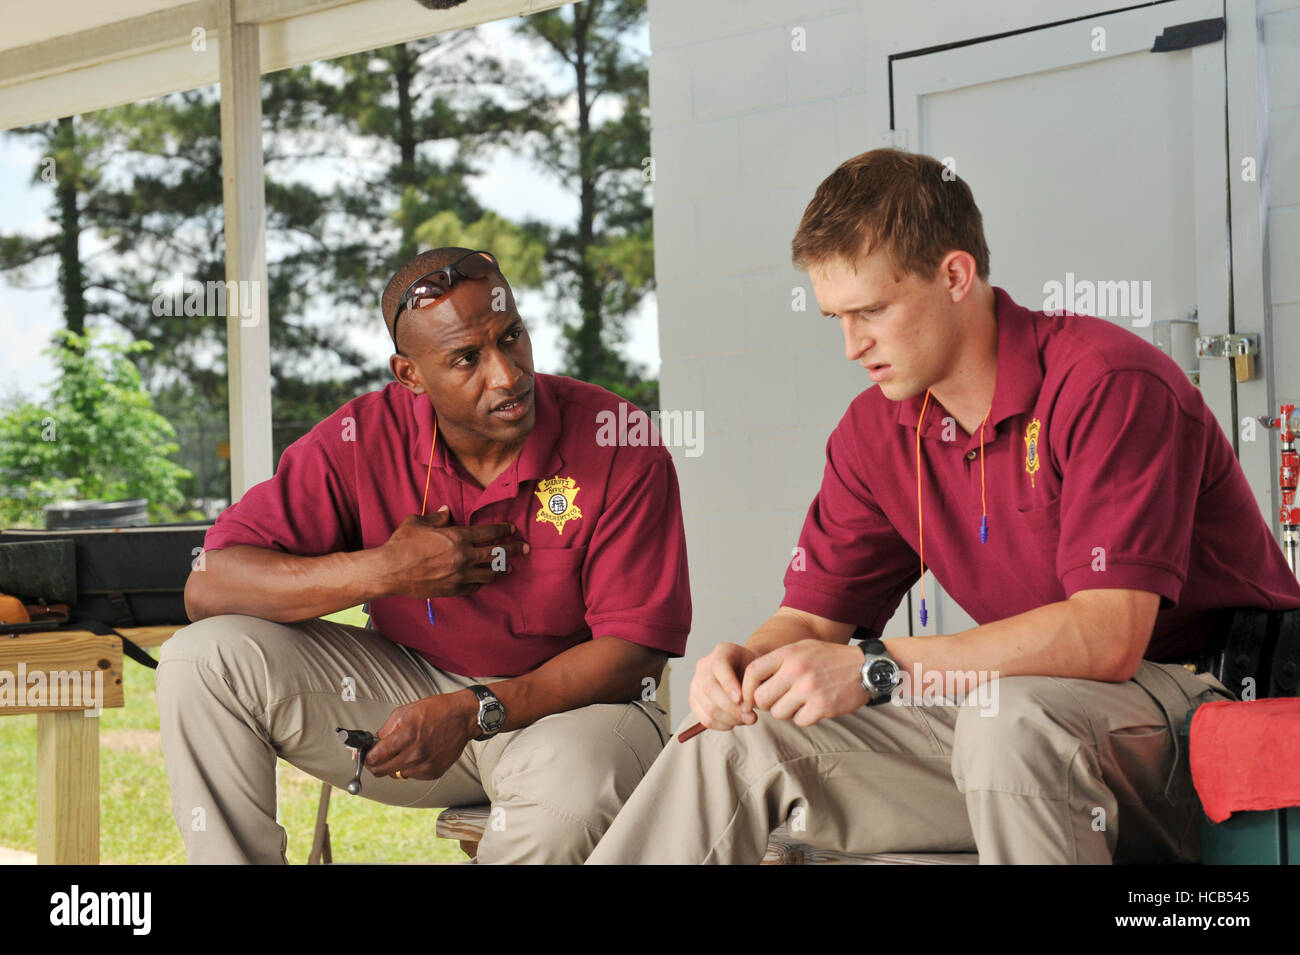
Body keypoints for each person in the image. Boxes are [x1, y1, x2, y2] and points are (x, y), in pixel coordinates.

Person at [586, 148, 1300, 865]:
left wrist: (874, 666)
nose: (851, 345)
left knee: (1010, 722)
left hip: (1202, 706)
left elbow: (1108, 636)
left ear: (955, 275)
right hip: (1030, 722)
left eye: (871, 311)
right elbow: (811, 619)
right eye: (837, 316)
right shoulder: (876, 431)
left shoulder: (1107, 382)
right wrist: (746, 665)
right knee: (735, 743)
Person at [158, 247, 690, 864]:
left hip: (571, 715)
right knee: (201, 660)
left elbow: (633, 658)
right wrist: (387, 570)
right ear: (410, 375)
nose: (506, 375)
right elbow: (209, 585)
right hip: (406, 693)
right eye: (467, 358)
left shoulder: (616, 440)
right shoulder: (360, 438)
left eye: (511, 336)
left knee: (566, 806)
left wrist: (474, 710)